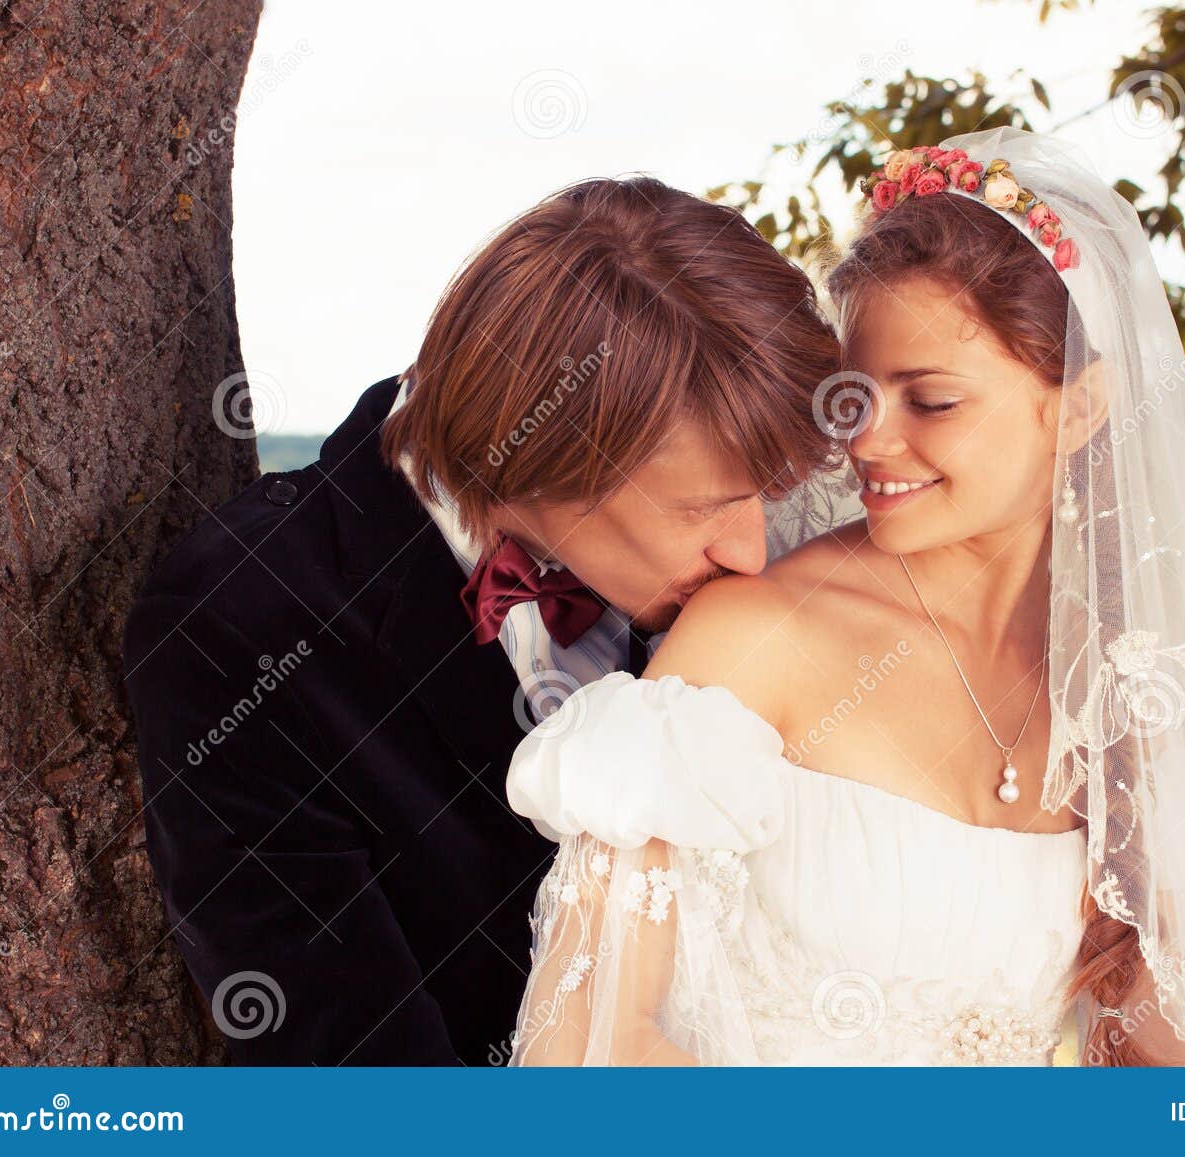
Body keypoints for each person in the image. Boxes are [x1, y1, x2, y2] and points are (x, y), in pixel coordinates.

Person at [505, 127, 1185, 1066]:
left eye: (932, 401)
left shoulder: (1116, 700)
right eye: (857, 393)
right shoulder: (756, 640)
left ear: (1079, 409)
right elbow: (585, 1042)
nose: (867, 443)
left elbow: (1154, 1065)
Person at [122, 176, 842, 1064]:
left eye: (764, 498)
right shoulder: (240, 625)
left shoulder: (777, 580)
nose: (753, 552)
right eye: (706, 508)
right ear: (549, 454)